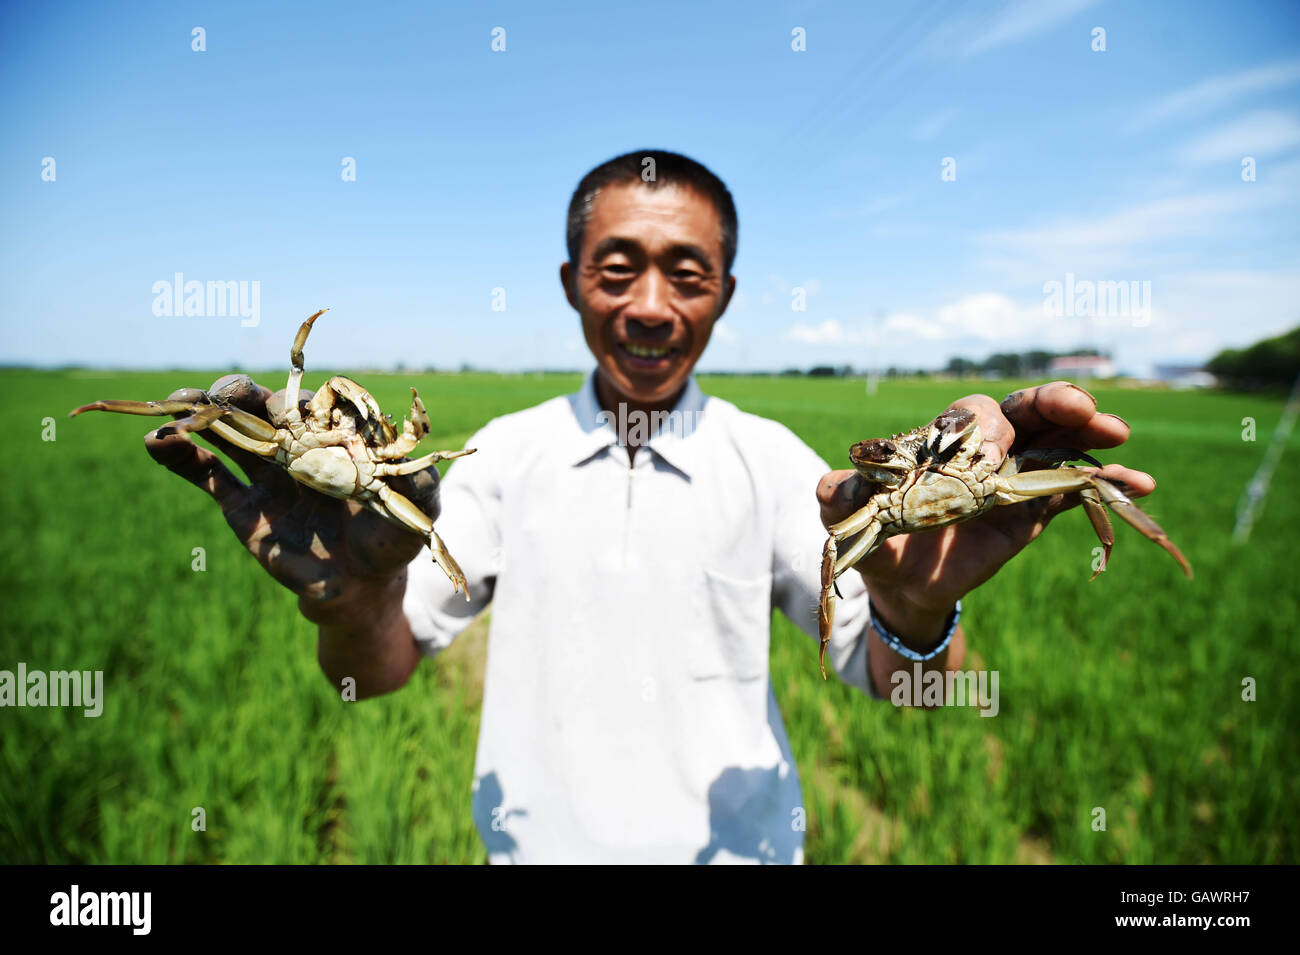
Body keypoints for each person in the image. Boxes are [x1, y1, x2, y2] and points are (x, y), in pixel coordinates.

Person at [143, 150, 1151, 864]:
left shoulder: (778, 465)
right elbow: (376, 676)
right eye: (616, 267)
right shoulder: (501, 457)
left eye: (688, 273)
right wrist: (345, 601)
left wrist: (922, 611)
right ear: (572, 282)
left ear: (724, 293)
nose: (651, 306)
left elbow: (918, 694)